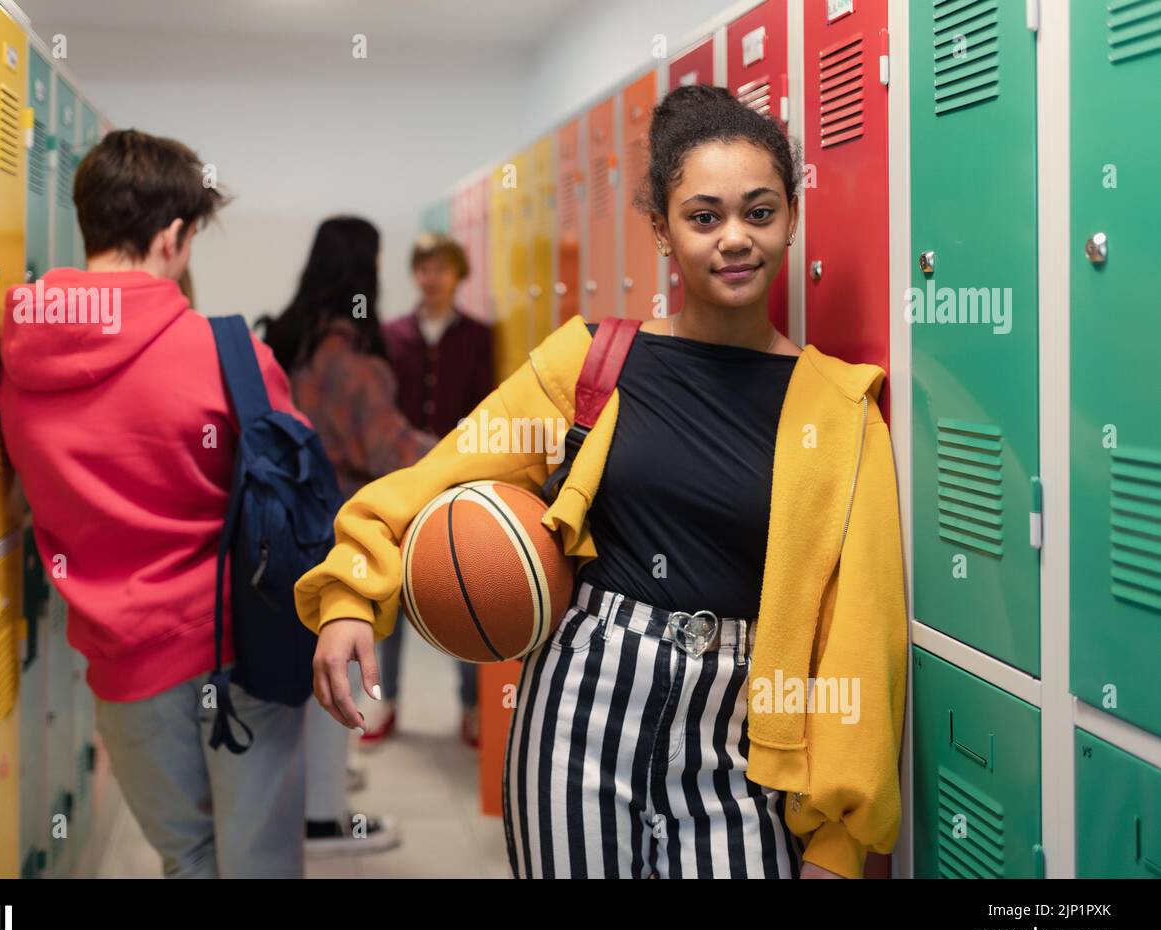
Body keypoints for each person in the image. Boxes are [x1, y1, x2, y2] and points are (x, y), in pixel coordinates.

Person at [295, 85, 908, 879]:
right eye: (703, 216)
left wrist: (839, 839)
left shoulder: (842, 409)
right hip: (580, 710)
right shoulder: (587, 363)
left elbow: (861, 639)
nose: (735, 239)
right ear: (660, 228)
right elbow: (430, 480)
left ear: (792, 219)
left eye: (760, 213)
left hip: (745, 742)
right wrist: (351, 595)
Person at [0, 129, 309, 878]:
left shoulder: (16, 346)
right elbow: (294, 488)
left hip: (123, 663)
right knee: (258, 860)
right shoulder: (229, 352)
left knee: (188, 858)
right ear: (173, 235)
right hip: (239, 646)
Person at [261, 215, 436, 855]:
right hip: (339, 539)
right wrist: (473, 450)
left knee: (310, 680)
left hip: (281, 535)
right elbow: (394, 449)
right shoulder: (350, 363)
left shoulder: (288, 339)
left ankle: (318, 791)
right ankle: (324, 817)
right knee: (339, 678)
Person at [373, 233, 494, 748]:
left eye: (441, 268)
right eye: (424, 268)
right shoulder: (390, 333)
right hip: (400, 483)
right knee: (390, 596)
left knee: (462, 595)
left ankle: (470, 709)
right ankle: (387, 704)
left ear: (459, 274)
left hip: (456, 481)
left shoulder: (479, 336)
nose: (432, 277)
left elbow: (487, 407)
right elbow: (381, 410)